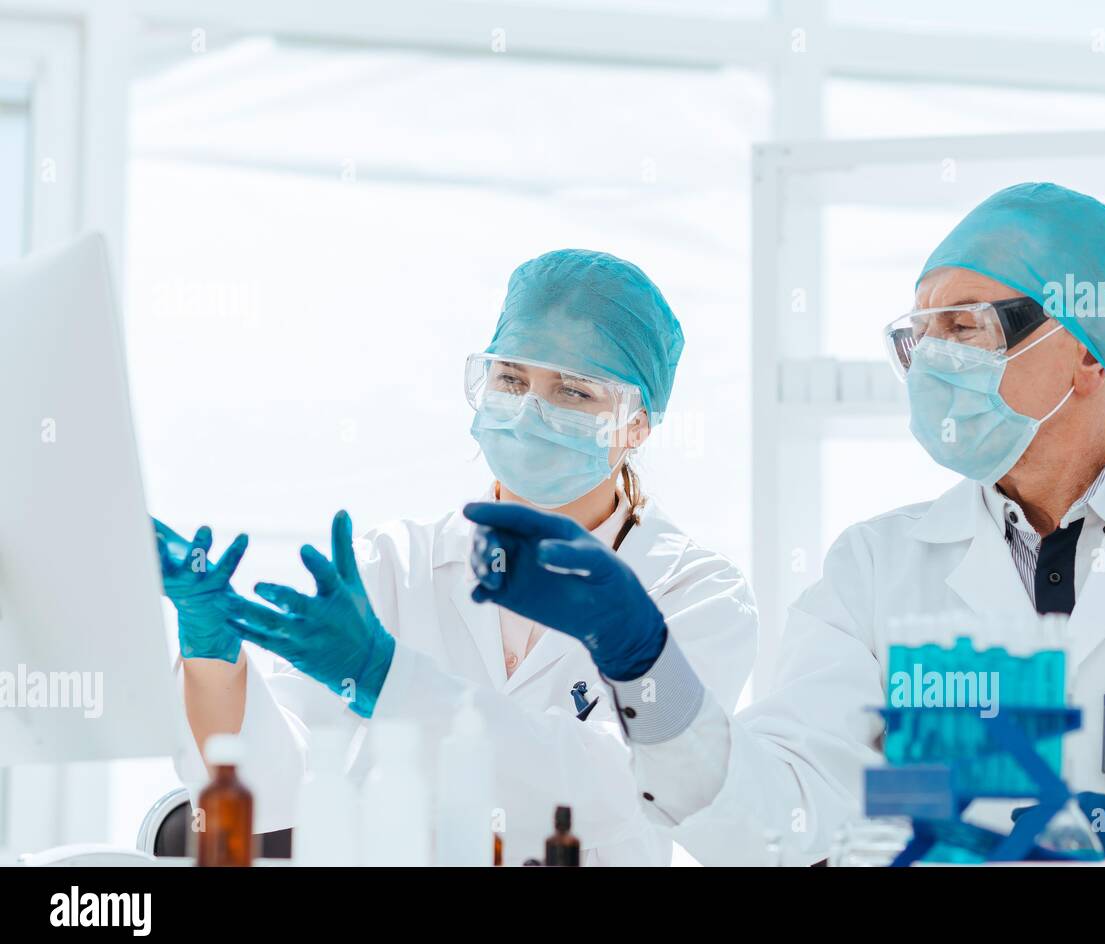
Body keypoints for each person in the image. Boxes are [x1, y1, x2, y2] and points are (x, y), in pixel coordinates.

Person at [464, 184, 1105, 865]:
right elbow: (778, 818)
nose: (932, 358)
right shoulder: (876, 570)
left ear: (1089, 349)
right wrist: (649, 665)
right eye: (919, 333)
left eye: (965, 326)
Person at [154, 249, 757, 865]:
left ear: (637, 426)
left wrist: (384, 677)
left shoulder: (696, 592)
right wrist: (213, 660)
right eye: (512, 380)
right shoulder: (394, 564)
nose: (529, 411)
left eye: (573, 391)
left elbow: (619, 792)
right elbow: (272, 789)